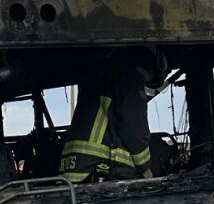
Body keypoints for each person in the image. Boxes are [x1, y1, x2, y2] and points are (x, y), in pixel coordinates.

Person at [59, 50, 161, 184]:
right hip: (103, 165)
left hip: (76, 166)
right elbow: (133, 125)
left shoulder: (99, 76)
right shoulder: (130, 76)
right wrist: (145, 167)